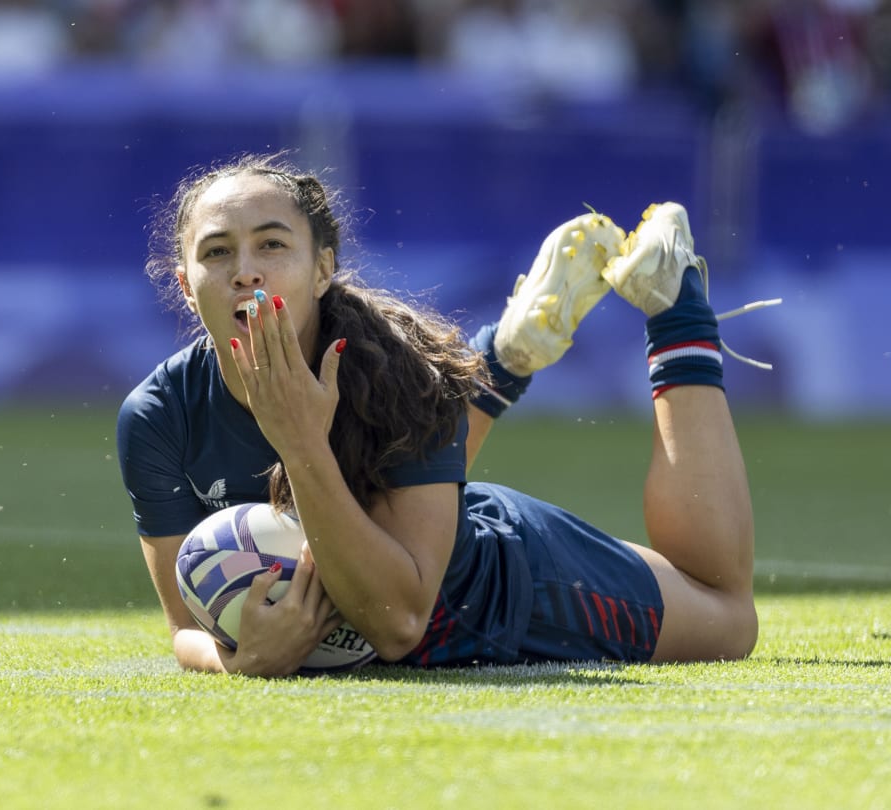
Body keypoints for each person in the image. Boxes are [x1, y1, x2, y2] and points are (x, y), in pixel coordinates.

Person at [117, 152, 768, 676]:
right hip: (399, 541)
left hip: (493, 592)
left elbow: (400, 622)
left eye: (271, 245)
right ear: (184, 283)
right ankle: (500, 361)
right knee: (387, 482)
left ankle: (674, 303)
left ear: (322, 271)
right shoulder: (154, 416)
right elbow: (185, 626)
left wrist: (299, 441)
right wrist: (241, 659)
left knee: (728, 618)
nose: (245, 273)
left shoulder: (404, 370)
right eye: (217, 252)